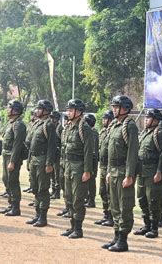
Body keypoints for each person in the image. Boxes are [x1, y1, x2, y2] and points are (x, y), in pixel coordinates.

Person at [102, 95, 138, 252]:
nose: (113, 109)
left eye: (116, 107)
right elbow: (110, 151)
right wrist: (109, 171)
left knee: (125, 206)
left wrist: (129, 175)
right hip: (114, 171)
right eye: (113, 107)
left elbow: (132, 152)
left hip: (124, 171)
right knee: (114, 206)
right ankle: (116, 236)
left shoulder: (129, 125)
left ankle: (123, 240)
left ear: (125, 109)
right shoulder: (115, 125)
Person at [60, 99, 94, 239]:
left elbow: (88, 151)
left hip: (79, 167)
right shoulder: (69, 126)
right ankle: (72, 226)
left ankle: (78, 229)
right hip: (68, 165)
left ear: (78, 112)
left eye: (71, 110)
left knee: (78, 198)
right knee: (68, 196)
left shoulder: (84, 128)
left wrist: (87, 170)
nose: (68, 112)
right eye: (68, 110)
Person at [134, 108, 162, 239]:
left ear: (155, 120)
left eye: (148, 118)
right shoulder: (145, 133)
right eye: (145, 118)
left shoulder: (159, 134)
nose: (145, 120)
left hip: (152, 171)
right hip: (142, 171)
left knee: (152, 200)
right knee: (142, 199)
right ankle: (146, 225)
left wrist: (159, 171)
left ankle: (154, 228)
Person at [25, 100, 56, 227]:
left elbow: (51, 146)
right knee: (35, 187)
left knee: (43, 188)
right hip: (34, 159)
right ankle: (37, 214)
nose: (36, 111)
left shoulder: (48, 125)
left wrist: (49, 163)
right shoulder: (37, 124)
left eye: (39, 109)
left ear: (46, 111)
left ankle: (43, 217)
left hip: (43, 160)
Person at [0, 100, 27, 216]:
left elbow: (17, 144)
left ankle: (16, 207)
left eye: (9, 108)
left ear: (15, 110)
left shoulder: (19, 125)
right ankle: (10, 204)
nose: (7, 110)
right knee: (6, 179)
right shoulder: (11, 123)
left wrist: (13, 161)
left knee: (13, 181)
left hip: (12, 157)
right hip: (6, 155)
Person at [95, 110, 114, 227]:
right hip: (102, 166)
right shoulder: (102, 132)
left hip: (109, 166)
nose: (103, 121)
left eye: (106, 119)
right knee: (102, 192)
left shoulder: (113, 131)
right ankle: (106, 214)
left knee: (109, 193)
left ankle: (111, 217)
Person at [84, 113, 99, 208]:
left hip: (92, 158)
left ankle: (91, 200)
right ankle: (88, 198)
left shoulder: (92, 132)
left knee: (91, 180)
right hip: (90, 157)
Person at [50, 111, 62, 200]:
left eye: (52, 118)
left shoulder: (60, 128)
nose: (51, 119)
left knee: (57, 174)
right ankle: (53, 190)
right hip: (52, 154)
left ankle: (57, 192)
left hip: (58, 155)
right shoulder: (52, 127)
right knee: (52, 173)